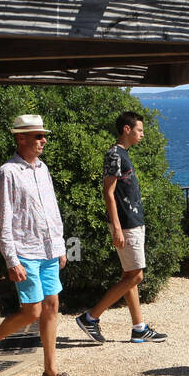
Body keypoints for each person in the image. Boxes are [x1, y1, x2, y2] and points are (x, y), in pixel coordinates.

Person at [0, 114, 80, 376]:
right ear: (20, 138)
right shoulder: (6, 173)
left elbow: (52, 210)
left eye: (44, 136)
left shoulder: (42, 169)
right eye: (38, 136)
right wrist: (11, 259)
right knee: (32, 311)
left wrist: (60, 245)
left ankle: (50, 371)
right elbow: (3, 219)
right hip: (25, 251)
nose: (43, 141)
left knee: (52, 306)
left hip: (48, 250)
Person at [75, 112, 166, 343]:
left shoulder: (122, 154)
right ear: (127, 129)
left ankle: (139, 328)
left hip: (133, 222)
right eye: (139, 130)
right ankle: (90, 317)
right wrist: (116, 226)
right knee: (136, 277)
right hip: (126, 224)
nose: (142, 134)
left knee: (130, 275)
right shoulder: (115, 154)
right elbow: (108, 192)